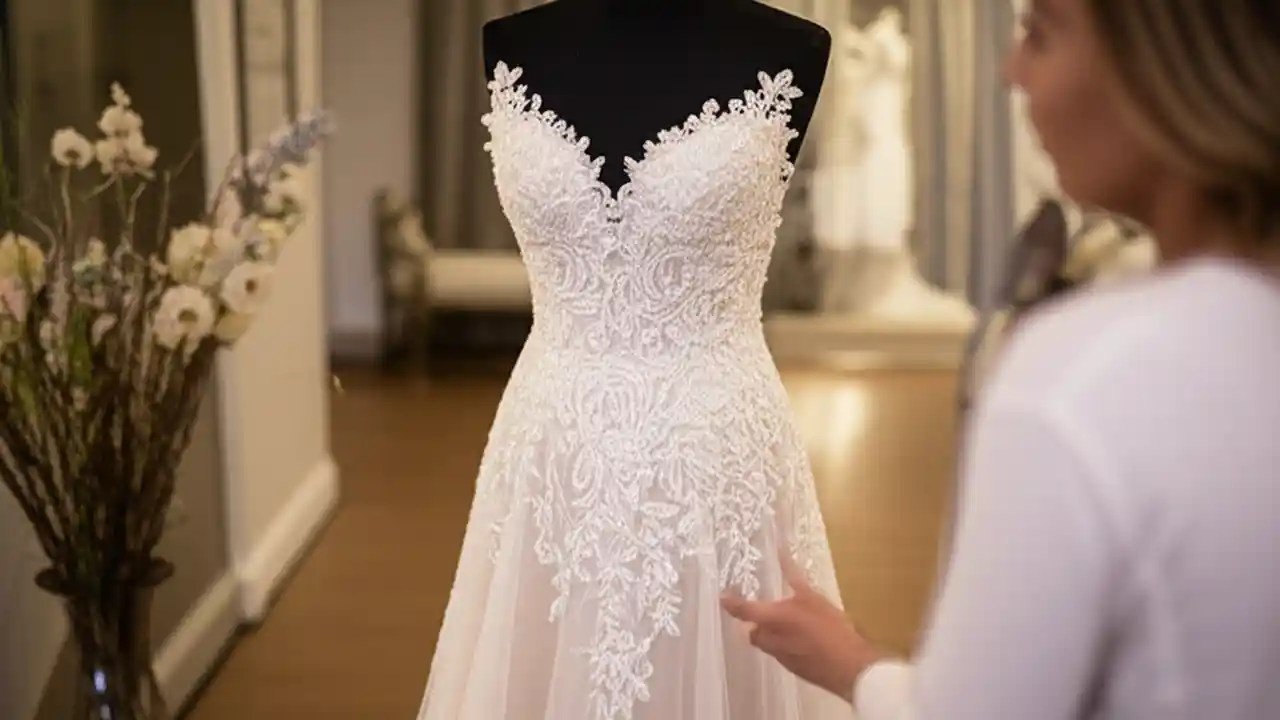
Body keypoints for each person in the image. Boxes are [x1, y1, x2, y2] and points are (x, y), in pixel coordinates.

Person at [724, 0, 1280, 717]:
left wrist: (863, 673)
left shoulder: (1080, 377)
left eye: (1041, 34)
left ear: (1165, 68)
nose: (1011, 71)